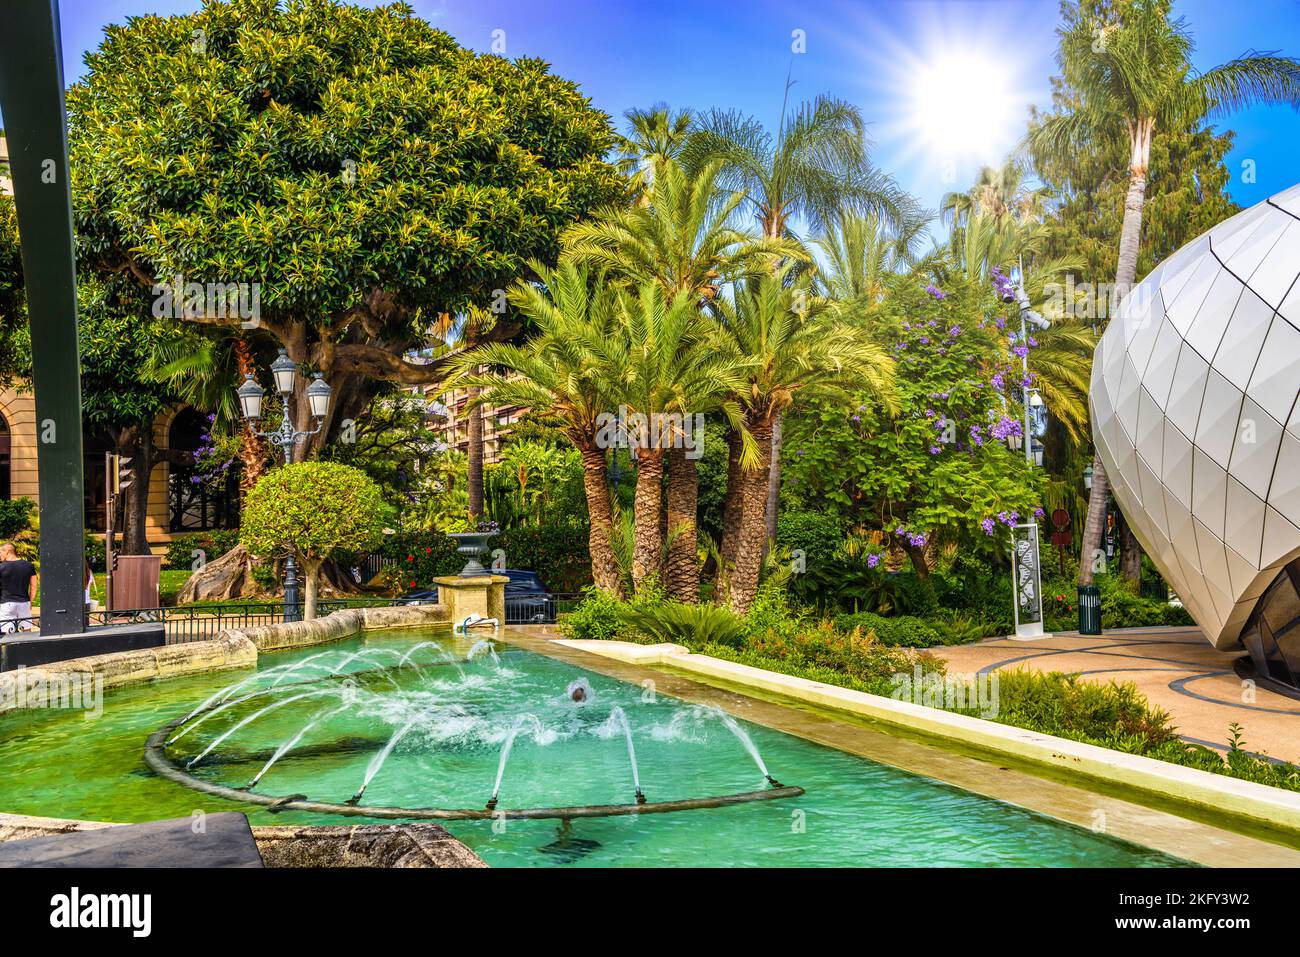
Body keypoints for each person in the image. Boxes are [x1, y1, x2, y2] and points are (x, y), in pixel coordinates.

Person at [0, 541, 37, 633]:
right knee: (27, 632)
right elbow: (34, 586)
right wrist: (30, 602)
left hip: (6, 604)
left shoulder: (1, 567)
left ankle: (10, 648)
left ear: (7, 552)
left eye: (0, 553)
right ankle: (28, 647)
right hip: (24, 603)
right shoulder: (29, 566)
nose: (0, 555)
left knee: (8, 634)